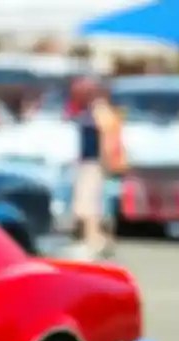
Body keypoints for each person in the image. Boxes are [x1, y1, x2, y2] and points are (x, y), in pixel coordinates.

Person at [69, 78, 124, 259]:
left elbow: (106, 141)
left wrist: (106, 162)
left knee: (88, 204)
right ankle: (96, 239)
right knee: (89, 203)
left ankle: (93, 241)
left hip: (94, 163)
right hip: (88, 162)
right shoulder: (91, 110)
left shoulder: (100, 111)